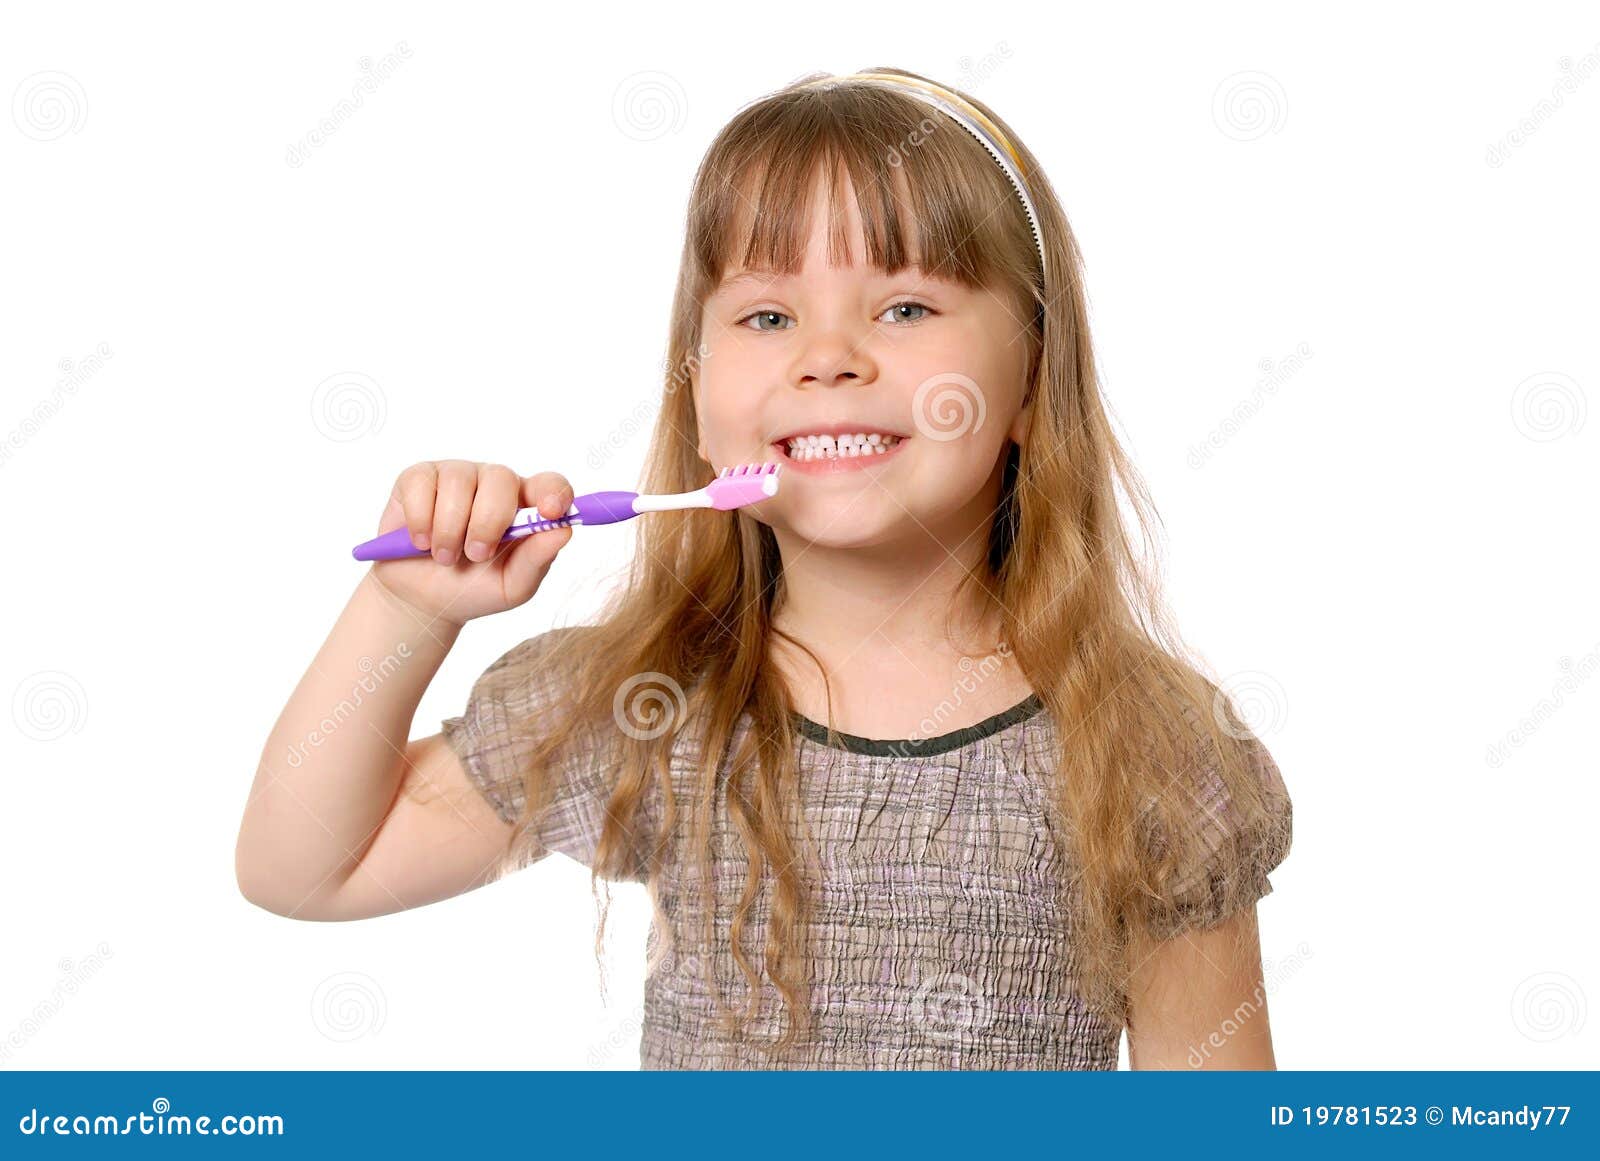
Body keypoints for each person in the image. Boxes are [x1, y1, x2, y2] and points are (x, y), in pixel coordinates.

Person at [235, 66, 1294, 1070]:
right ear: (699, 403)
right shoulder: (648, 702)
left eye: (907, 307)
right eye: (767, 316)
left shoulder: (1149, 752)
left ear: (1028, 385)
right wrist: (405, 608)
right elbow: (308, 871)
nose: (825, 355)